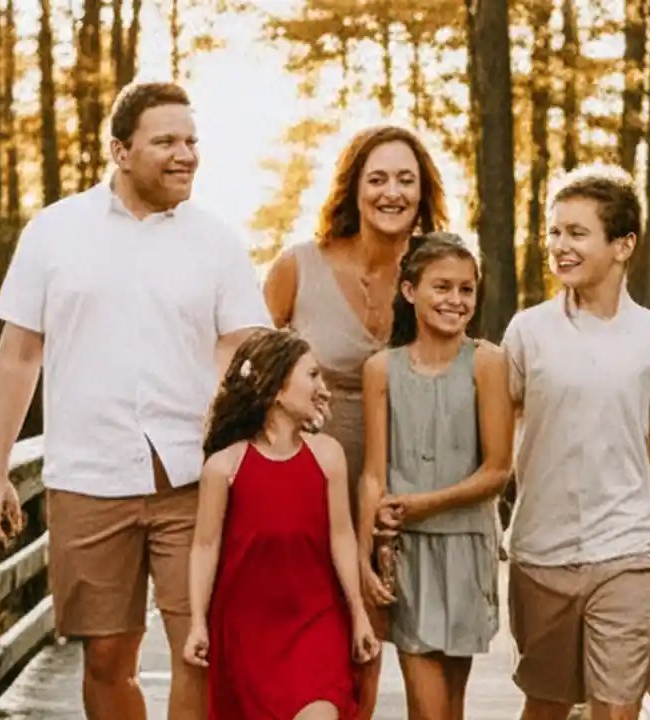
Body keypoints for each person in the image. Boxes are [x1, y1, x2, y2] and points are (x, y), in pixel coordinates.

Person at [0, 81, 271, 720]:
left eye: (192, 141)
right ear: (120, 150)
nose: (185, 154)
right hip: (88, 477)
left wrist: (230, 424)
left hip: (193, 478)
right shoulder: (55, 232)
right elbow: (19, 357)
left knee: (203, 647)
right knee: (107, 658)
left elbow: (246, 348)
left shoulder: (215, 242)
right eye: (165, 140)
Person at [262, 125, 449, 716]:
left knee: (368, 644)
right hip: (307, 480)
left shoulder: (436, 275)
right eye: (377, 179)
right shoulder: (297, 266)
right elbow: (248, 380)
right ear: (353, 188)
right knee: (301, 643)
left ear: (423, 195)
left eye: (405, 180)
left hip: (399, 484)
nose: (391, 192)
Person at [500, 164, 650, 720]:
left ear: (623, 244)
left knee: (616, 708)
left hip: (625, 551)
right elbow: (492, 434)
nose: (560, 246)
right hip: (541, 550)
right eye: (554, 232)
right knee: (547, 705)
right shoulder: (526, 331)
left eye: (577, 233)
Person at [183, 328, 381, 720]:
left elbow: (341, 536)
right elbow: (205, 547)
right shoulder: (224, 467)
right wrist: (197, 623)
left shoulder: (328, 456)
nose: (323, 388)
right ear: (275, 388)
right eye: (312, 376)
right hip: (247, 632)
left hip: (317, 620)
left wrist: (358, 613)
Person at [354, 232, 513, 720]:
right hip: (407, 552)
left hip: (467, 546)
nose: (456, 300)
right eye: (442, 287)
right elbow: (372, 476)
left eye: (467, 289)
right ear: (409, 291)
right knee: (427, 708)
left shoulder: (487, 363)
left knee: (450, 706)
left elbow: (497, 472)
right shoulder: (381, 369)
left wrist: (425, 503)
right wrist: (362, 558)